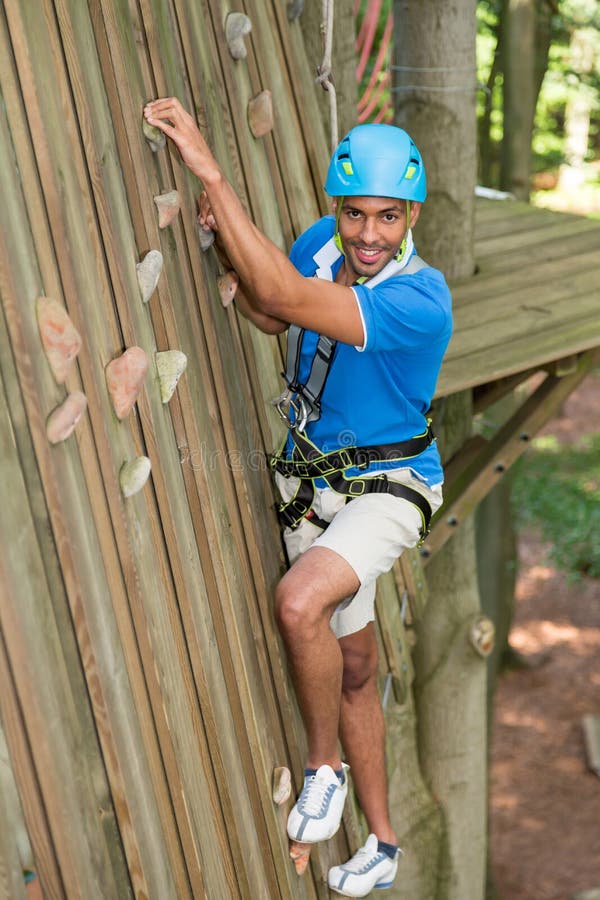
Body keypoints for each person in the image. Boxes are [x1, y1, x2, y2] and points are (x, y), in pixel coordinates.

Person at [144, 97, 452, 898]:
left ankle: (326, 770)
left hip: (391, 486)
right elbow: (266, 314)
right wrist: (227, 251)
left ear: (412, 212)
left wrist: (212, 173)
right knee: (353, 663)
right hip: (315, 486)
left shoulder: (422, 301)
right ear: (336, 209)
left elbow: (281, 296)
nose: (370, 235)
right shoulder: (321, 248)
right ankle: (382, 844)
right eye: (355, 215)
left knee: (298, 603)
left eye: (389, 217)